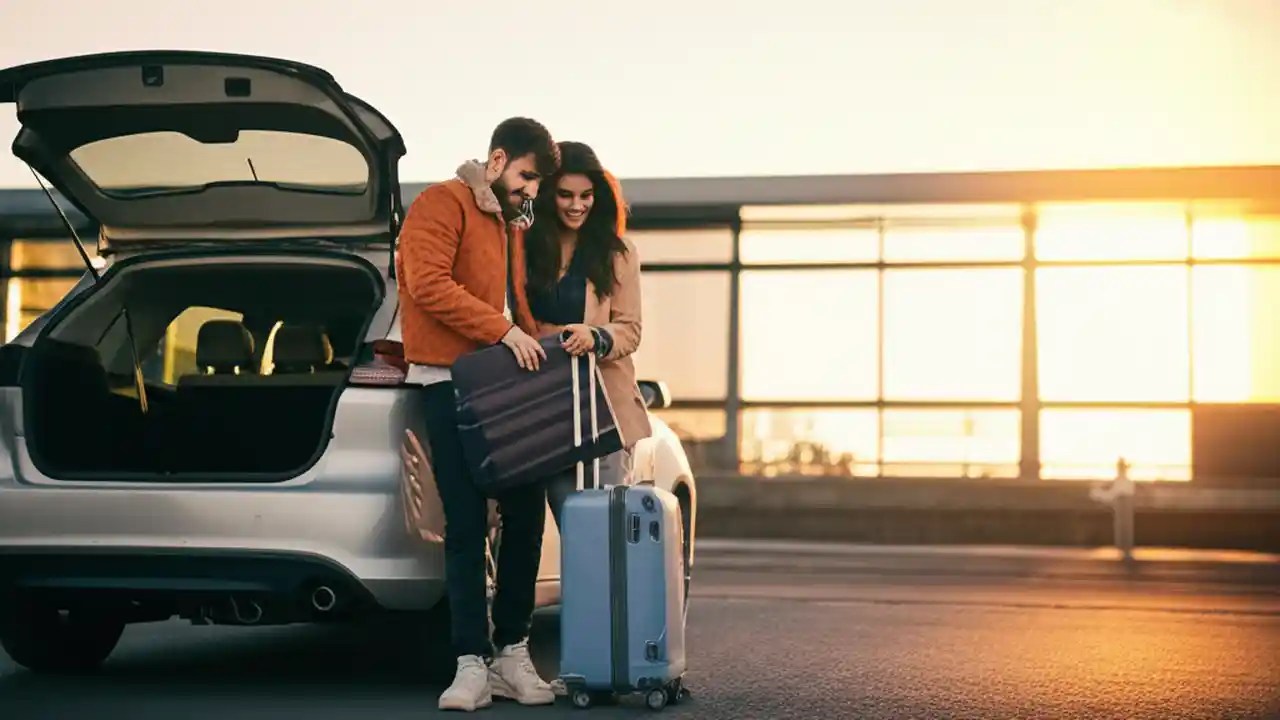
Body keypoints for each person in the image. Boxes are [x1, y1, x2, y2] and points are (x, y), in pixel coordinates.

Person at [395, 117, 560, 712]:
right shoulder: (442, 203)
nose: (529, 194)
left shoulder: (512, 224)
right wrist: (504, 330)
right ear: (496, 160)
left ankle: (513, 654)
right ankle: (471, 665)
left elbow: (517, 307)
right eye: (524, 179)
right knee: (464, 524)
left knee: (524, 515)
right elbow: (426, 283)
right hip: (447, 382)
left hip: (508, 386)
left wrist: (554, 342)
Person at [514, 141, 651, 529]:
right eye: (565, 195)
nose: (577, 205)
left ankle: (600, 594)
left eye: (586, 195)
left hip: (602, 410)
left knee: (599, 528)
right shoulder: (522, 245)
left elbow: (630, 328)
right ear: (546, 194)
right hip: (541, 407)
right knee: (552, 523)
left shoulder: (618, 252)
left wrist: (596, 336)